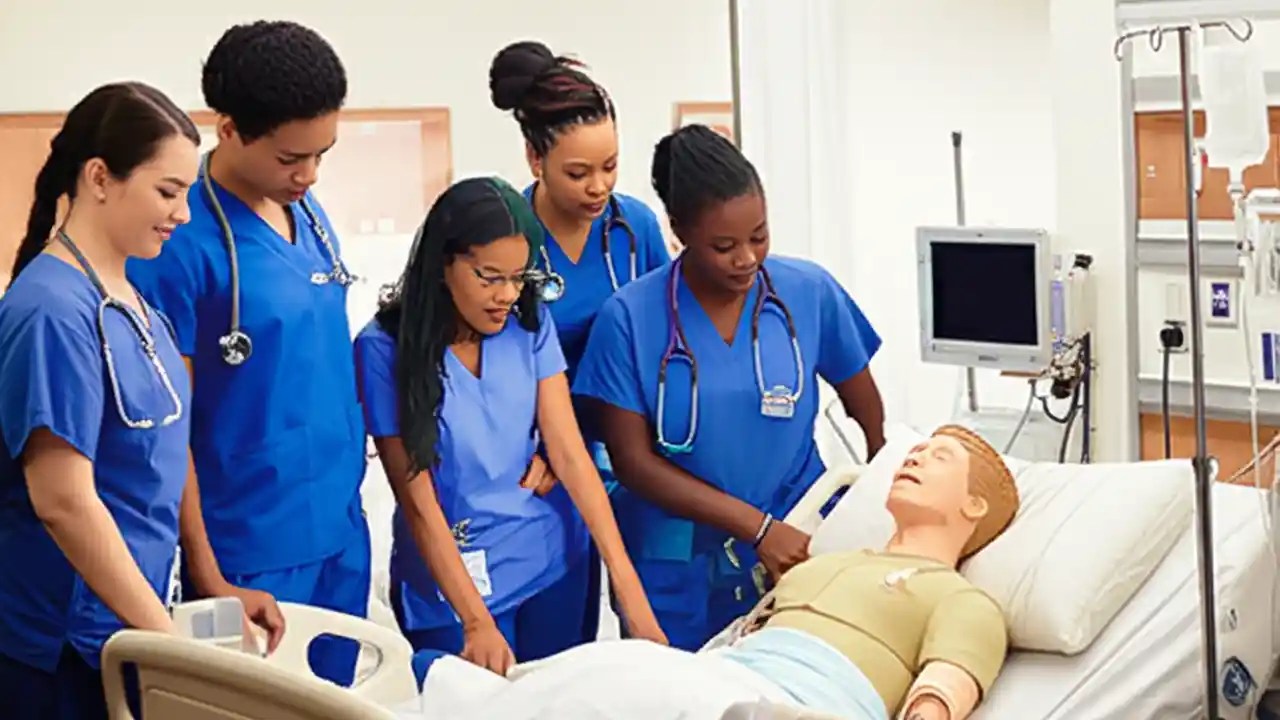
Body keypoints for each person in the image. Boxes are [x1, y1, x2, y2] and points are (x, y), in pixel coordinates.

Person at [410, 424, 1018, 720]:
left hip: (796, 707)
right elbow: (738, 641)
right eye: (918, 447)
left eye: (940, 458)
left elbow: (937, 701)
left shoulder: (963, 601)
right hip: (721, 678)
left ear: (974, 507)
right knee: (611, 670)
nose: (914, 455)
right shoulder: (825, 565)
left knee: (632, 686)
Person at [572, 124, 888, 651]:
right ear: (679, 230)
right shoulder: (628, 319)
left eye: (759, 236)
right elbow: (632, 462)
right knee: (683, 698)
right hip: (676, 562)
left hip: (798, 535)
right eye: (724, 246)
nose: (746, 258)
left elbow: (864, 403)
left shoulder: (807, 292)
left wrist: (882, 483)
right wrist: (757, 528)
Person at [126, 20, 366, 685]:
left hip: (340, 531)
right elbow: (166, 430)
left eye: (323, 154)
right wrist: (209, 573)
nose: (309, 174)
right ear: (228, 128)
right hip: (250, 550)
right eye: (292, 158)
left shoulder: (308, 215)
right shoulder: (178, 244)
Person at [353, 177, 666, 677]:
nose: (506, 295)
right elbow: (418, 504)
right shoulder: (383, 349)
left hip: (547, 561)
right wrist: (475, 622)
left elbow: (568, 454)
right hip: (453, 585)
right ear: (443, 266)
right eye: (489, 277)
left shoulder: (528, 323)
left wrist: (627, 588)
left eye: (518, 277)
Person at [0, 82, 200, 719]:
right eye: (168, 192)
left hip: (124, 628)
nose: (183, 214)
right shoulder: (52, 309)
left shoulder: (130, 296)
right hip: (62, 646)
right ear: (99, 177)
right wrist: (174, 651)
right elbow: (63, 501)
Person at [489, 40, 672, 645]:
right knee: (556, 641)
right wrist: (543, 450)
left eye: (610, 166)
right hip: (542, 462)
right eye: (578, 172)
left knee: (639, 628)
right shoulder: (509, 236)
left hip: (629, 451)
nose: (599, 187)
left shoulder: (634, 227)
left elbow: (658, 338)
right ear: (534, 157)